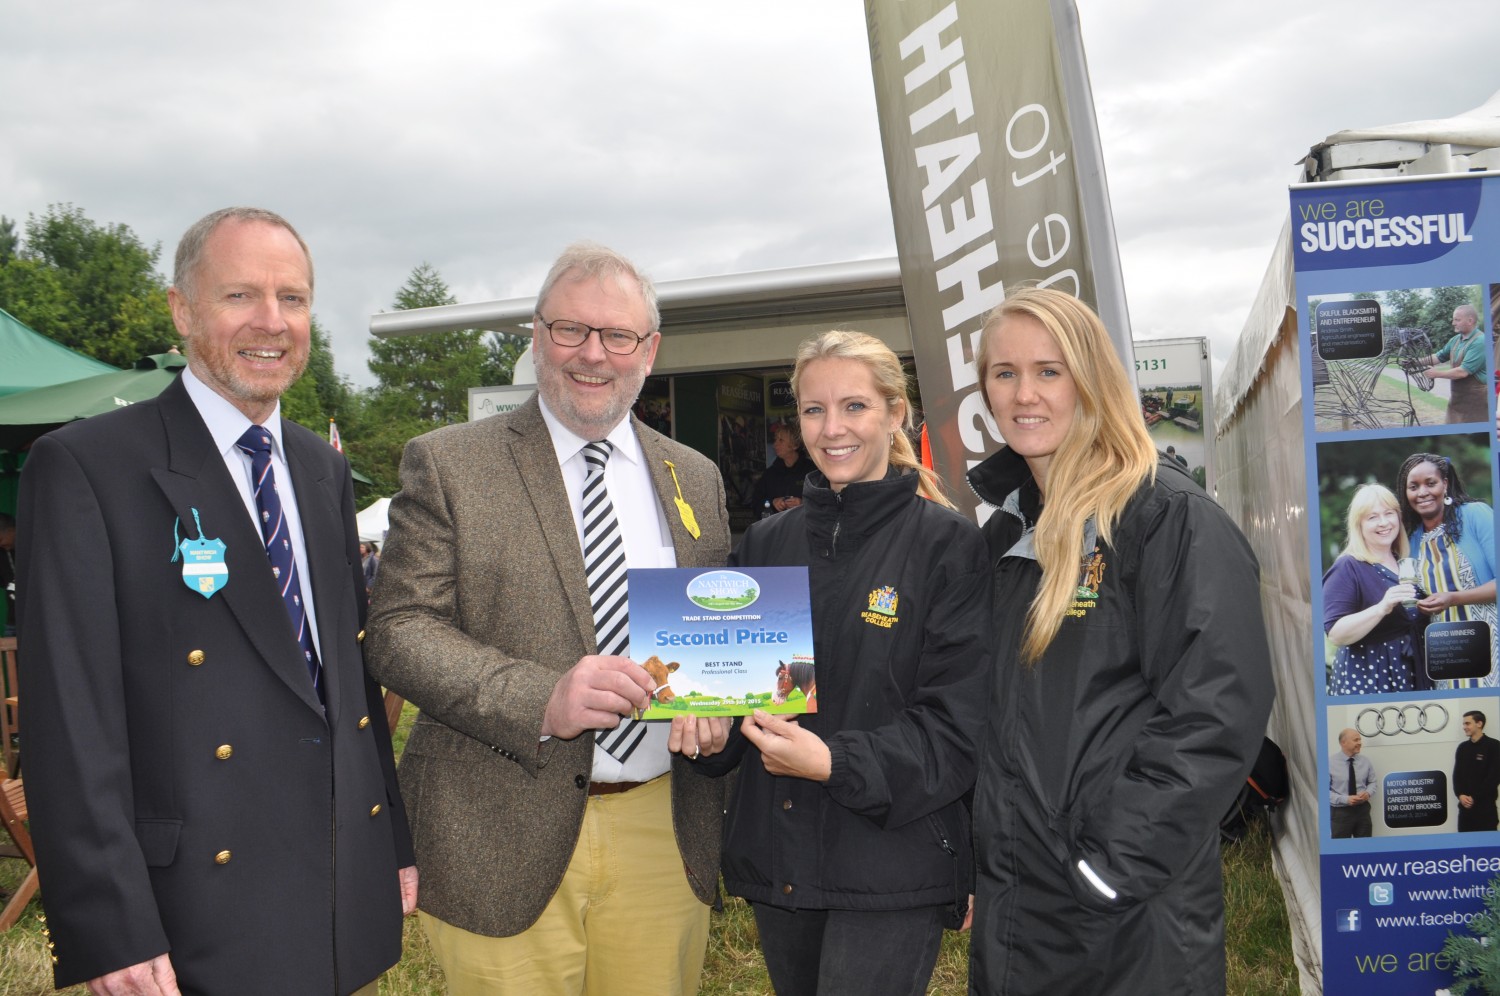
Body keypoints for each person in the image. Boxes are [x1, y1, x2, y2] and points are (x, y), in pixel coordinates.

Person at [16, 207, 416, 994]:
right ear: (182, 309)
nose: (272, 322)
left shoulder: (318, 468)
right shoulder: (86, 468)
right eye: (240, 296)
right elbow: (70, 721)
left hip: (333, 885)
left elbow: (345, 676)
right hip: (192, 909)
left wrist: (389, 838)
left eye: (293, 299)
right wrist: (110, 926)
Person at [364, 242, 732, 996]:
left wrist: (720, 707)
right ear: (535, 337)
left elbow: (713, 639)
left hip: (663, 831)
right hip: (497, 830)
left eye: (617, 335)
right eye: (571, 330)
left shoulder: (695, 476)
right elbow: (400, 629)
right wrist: (541, 699)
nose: (593, 354)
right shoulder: (448, 464)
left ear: (649, 350)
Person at [964, 288, 1273, 996]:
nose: (1024, 394)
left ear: (1092, 379)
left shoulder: (1166, 518)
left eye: (1050, 371)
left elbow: (1217, 710)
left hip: (1125, 910)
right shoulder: (1003, 533)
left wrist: (1112, 866)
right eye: (1004, 373)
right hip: (1019, 899)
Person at [694, 330, 991, 996]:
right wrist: (709, 730)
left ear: (895, 414)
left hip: (892, 860)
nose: (833, 429)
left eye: (854, 407)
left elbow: (959, 724)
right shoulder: (768, 543)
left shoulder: (947, 546)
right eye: (813, 410)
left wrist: (834, 763)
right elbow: (755, 695)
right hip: (783, 859)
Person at [1397, 452, 1497, 688]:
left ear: (1445, 484)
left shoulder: (1475, 514)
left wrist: (1453, 598)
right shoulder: (1412, 540)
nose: (1422, 492)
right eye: (1414, 486)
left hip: (1491, 643)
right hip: (1446, 654)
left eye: (1430, 483)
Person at [1322, 483, 1428, 694]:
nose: (1384, 523)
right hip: (1369, 677)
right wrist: (1381, 608)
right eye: (1372, 517)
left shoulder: (1405, 563)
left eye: (1389, 514)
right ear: (1358, 525)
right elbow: (1335, 634)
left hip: (1410, 674)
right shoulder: (1348, 566)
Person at [1416, 304, 1489, 424]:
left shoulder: (1480, 341)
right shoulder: (1455, 340)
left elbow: (1462, 372)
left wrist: (1436, 373)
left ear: (1470, 321)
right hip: (1456, 403)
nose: (1453, 323)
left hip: (1476, 405)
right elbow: (1438, 357)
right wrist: (1416, 362)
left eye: (1457, 319)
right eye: (1453, 319)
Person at [749, 421, 816, 516]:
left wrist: (803, 504)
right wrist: (772, 503)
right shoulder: (770, 474)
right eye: (775, 440)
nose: (775, 444)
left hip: (805, 529)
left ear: (795, 445)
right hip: (778, 529)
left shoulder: (812, 471)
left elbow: (826, 504)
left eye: (781, 440)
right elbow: (756, 504)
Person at [1454, 710, 1500, 831]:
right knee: (1465, 848)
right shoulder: (1462, 748)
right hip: (1465, 812)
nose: (1464, 727)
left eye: (1467, 723)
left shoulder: (1494, 746)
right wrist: (1460, 795)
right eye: (1464, 724)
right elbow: (1456, 775)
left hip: (1486, 811)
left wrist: (1475, 797)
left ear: (1479, 724)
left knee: (1487, 848)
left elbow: (1494, 777)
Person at [1329, 728, 1375, 838]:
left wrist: (1368, 793)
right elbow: (1323, 792)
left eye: (1360, 740)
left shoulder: (1365, 761)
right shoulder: (1329, 763)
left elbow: (1373, 782)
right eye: (1356, 740)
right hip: (1340, 813)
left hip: (1362, 811)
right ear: (1343, 743)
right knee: (1341, 849)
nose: (1360, 743)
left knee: (1365, 848)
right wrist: (1346, 799)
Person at [0, 512, 14, 635]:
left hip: (36, 618)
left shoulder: (32, 548)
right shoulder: (2, 553)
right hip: (13, 621)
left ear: (11, 530)